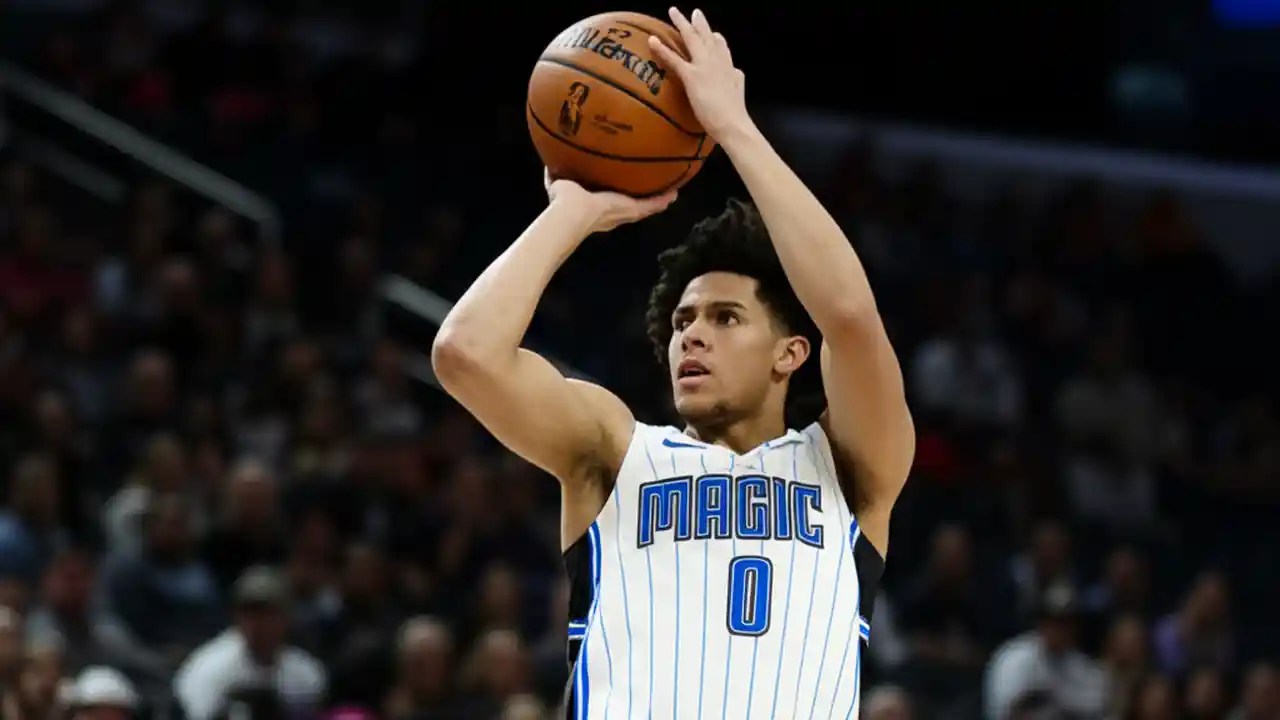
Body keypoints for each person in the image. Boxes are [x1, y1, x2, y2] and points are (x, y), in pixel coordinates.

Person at [431, 7, 914, 718]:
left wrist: (734, 129)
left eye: (725, 318)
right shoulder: (614, 450)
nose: (692, 336)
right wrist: (572, 209)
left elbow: (847, 313)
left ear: (791, 353)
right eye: (684, 321)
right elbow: (464, 353)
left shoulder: (849, 469)